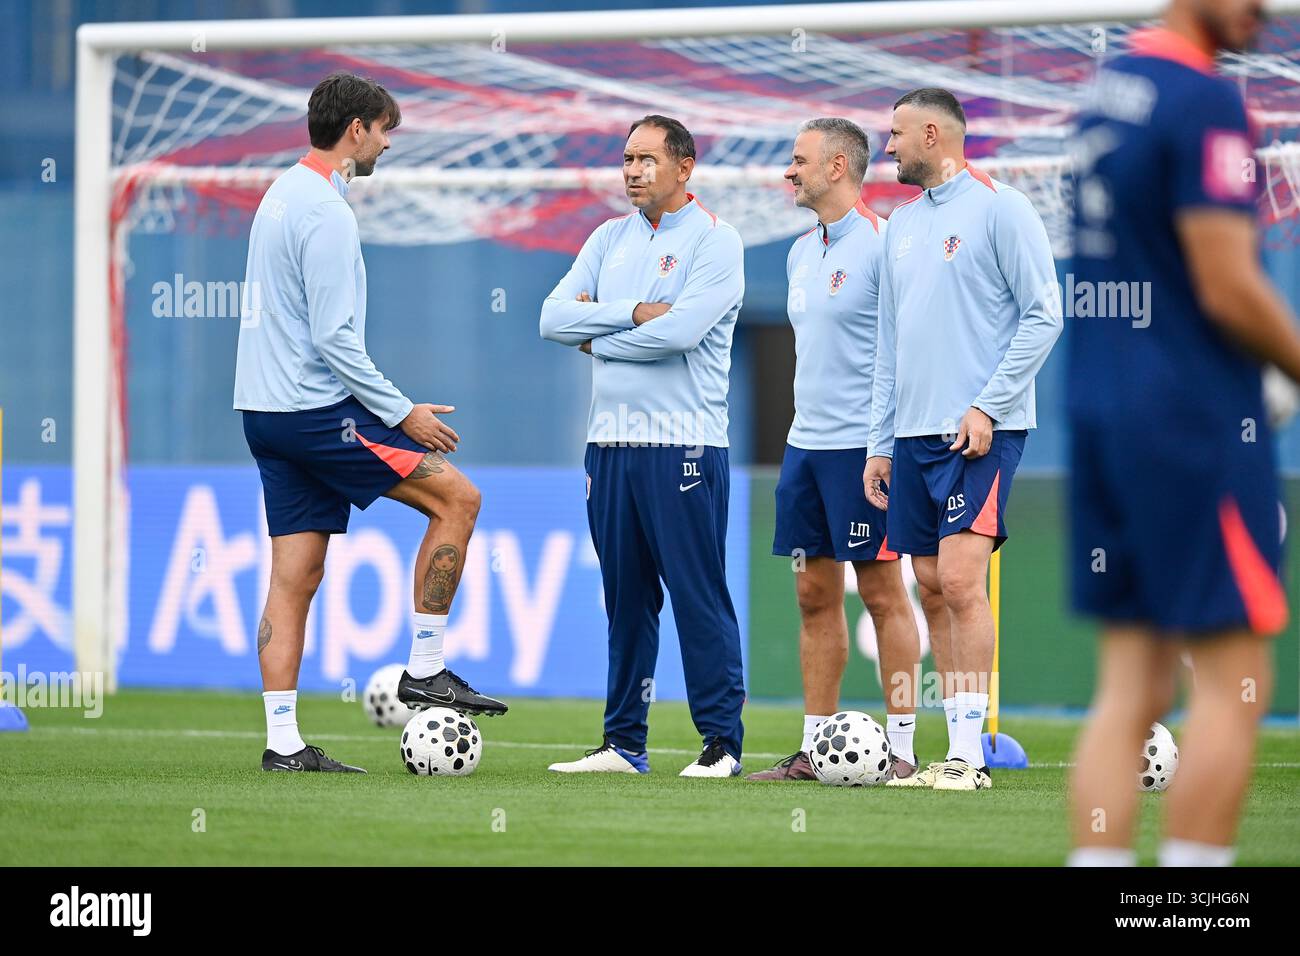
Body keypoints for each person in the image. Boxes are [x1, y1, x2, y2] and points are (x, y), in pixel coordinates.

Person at [1066, 0, 1299, 866]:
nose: (1262, 10)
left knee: (1132, 684)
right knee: (1235, 684)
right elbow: (1228, 286)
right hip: (1190, 422)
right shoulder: (1201, 99)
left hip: (1102, 406)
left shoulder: (1105, 91)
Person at [235, 72, 507, 773]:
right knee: (459, 498)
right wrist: (400, 412)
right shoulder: (325, 211)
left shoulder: (281, 194)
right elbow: (333, 339)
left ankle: (284, 745)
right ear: (356, 129)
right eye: (384, 129)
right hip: (316, 413)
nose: (387, 143)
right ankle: (426, 666)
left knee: (295, 574)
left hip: (265, 413)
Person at [864, 88, 1062, 790]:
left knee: (957, 580)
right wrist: (879, 442)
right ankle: (951, 753)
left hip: (981, 431)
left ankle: (971, 758)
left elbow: (1045, 315)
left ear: (929, 133)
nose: (885, 147)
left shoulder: (1002, 207)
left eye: (893, 135)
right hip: (911, 436)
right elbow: (889, 344)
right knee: (928, 584)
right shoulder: (900, 225)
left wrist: (987, 405)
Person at [539, 115, 747, 777]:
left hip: (682, 446)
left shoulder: (716, 242)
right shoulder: (607, 238)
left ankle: (721, 743)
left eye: (647, 160)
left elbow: (681, 333)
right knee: (625, 599)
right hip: (610, 446)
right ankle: (623, 743)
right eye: (627, 159)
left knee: (696, 593)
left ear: (684, 168)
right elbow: (550, 318)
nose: (632, 171)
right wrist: (629, 313)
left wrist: (596, 339)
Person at [747, 118, 927, 783]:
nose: (788, 172)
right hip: (804, 450)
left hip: (863, 453)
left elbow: (901, 356)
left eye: (798, 160)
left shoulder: (884, 246)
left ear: (838, 168)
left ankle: (904, 751)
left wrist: (885, 446)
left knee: (883, 596)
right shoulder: (799, 252)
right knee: (812, 597)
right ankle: (813, 749)